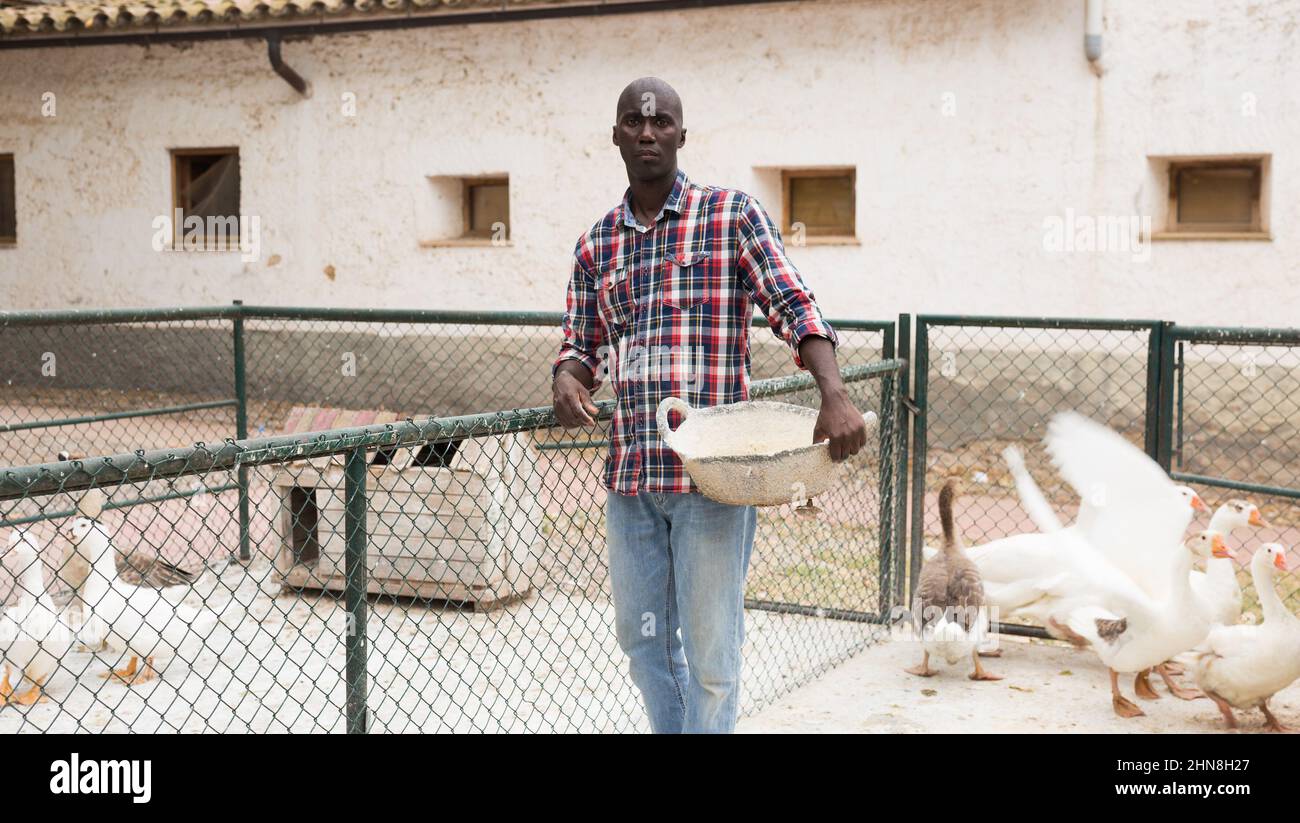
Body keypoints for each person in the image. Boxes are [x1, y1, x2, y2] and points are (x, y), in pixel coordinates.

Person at [552, 77, 867, 733]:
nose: (647, 132)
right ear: (616, 135)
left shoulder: (731, 217)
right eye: (634, 123)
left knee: (712, 659)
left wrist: (833, 392)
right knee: (643, 647)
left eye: (661, 121)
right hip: (632, 478)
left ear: (680, 135)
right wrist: (568, 376)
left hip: (714, 480)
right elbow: (583, 344)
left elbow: (793, 304)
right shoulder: (596, 245)